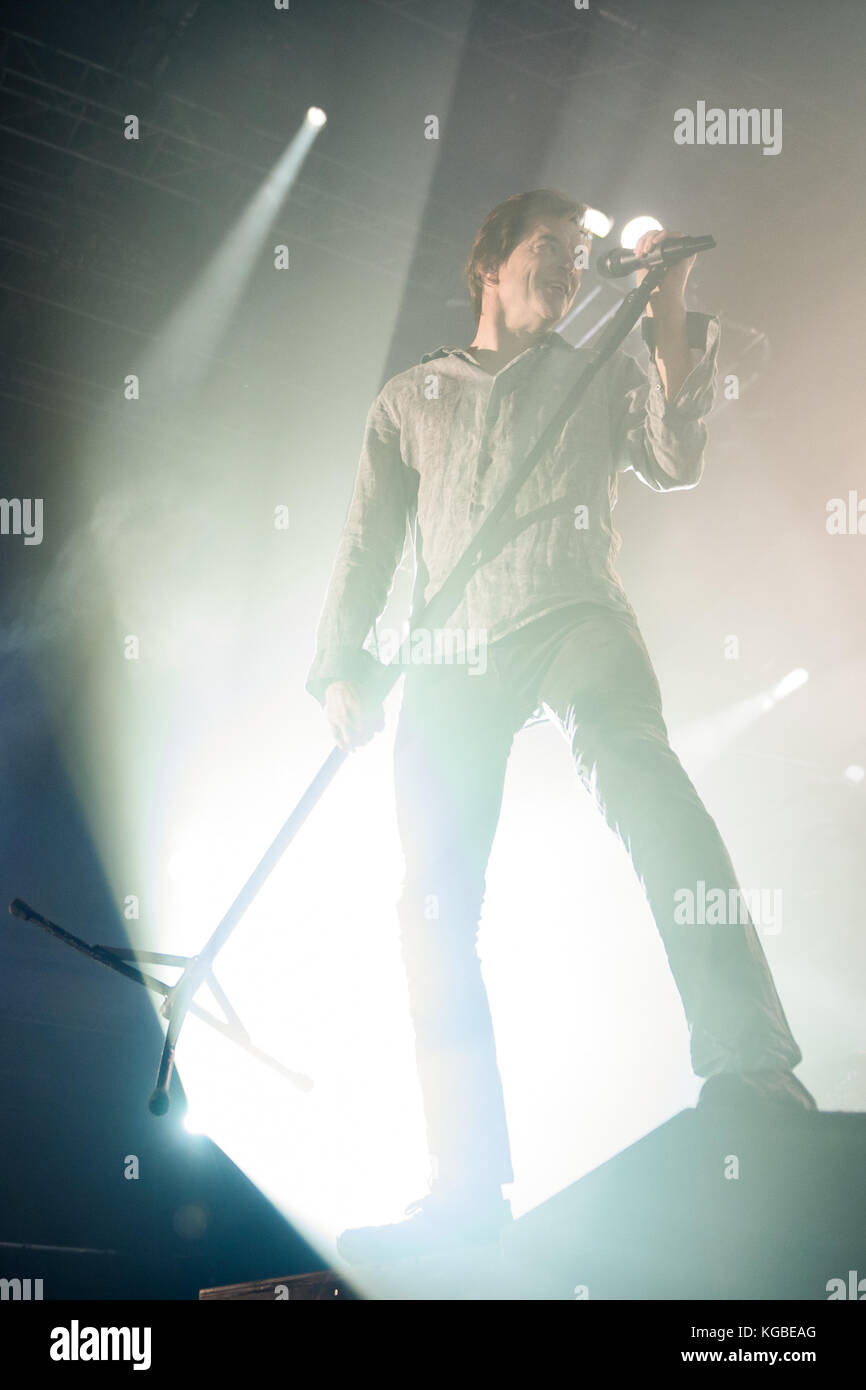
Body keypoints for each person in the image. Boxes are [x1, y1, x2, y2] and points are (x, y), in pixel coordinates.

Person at [305, 189, 815, 1265]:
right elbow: (366, 541)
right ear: (488, 263)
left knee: (644, 781)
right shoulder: (410, 399)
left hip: (574, 611)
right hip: (450, 654)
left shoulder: (601, 367)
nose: (570, 271)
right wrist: (339, 666)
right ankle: (464, 1179)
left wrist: (667, 303)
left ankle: (749, 1065)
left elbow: (677, 452)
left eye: (583, 261)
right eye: (550, 251)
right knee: (430, 903)